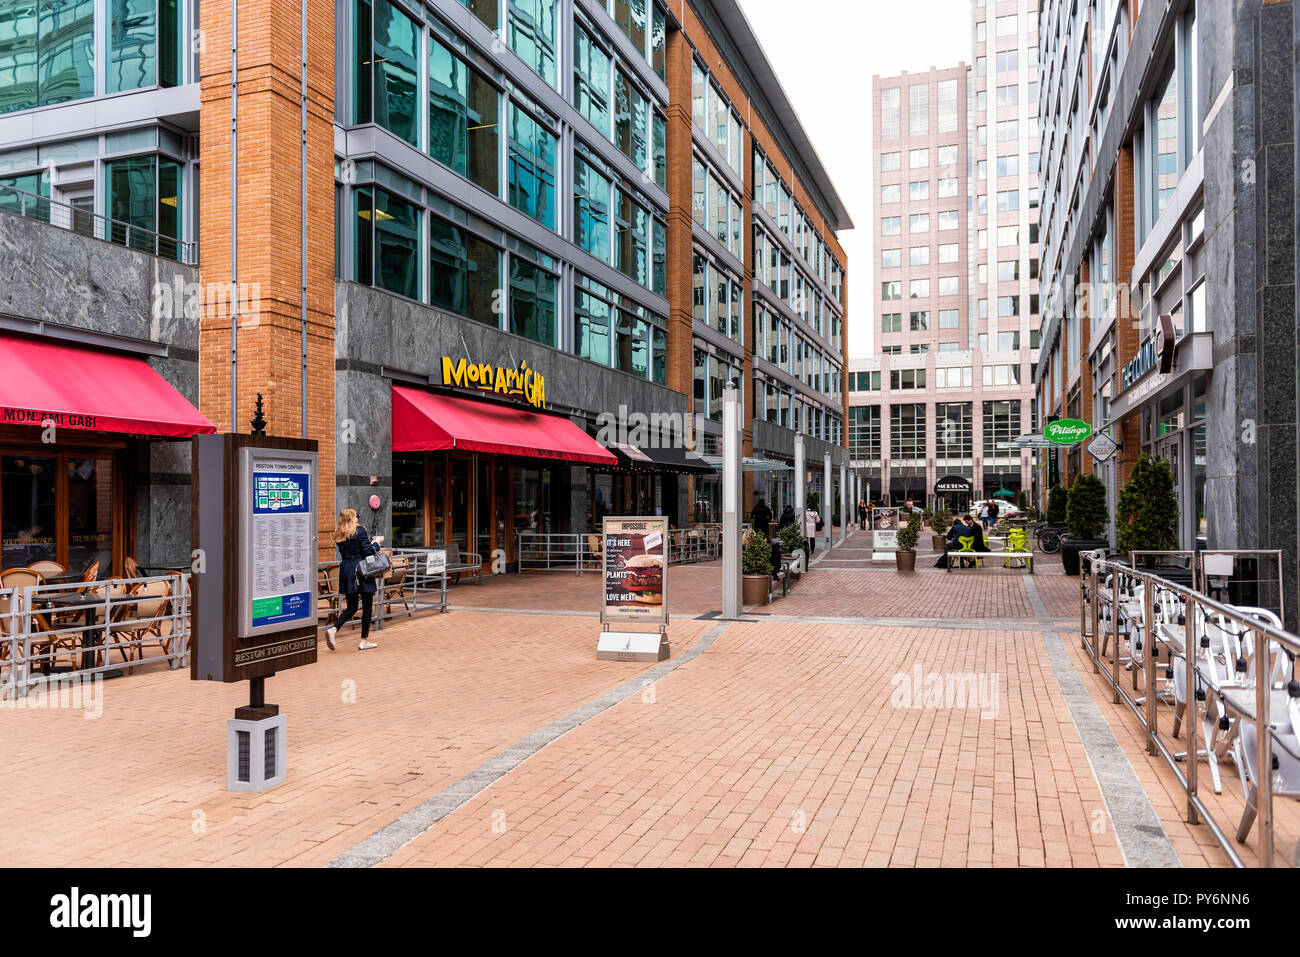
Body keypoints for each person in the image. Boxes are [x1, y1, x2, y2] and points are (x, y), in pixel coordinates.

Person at [325, 507, 384, 651]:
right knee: (367, 606)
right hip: (361, 571)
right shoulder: (360, 531)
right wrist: (377, 543)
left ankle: (333, 630)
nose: (358, 518)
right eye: (356, 516)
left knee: (351, 607)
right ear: (352, 518)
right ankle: (364, 640)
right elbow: (367, 551)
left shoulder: (339, 535)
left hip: (346, 570)